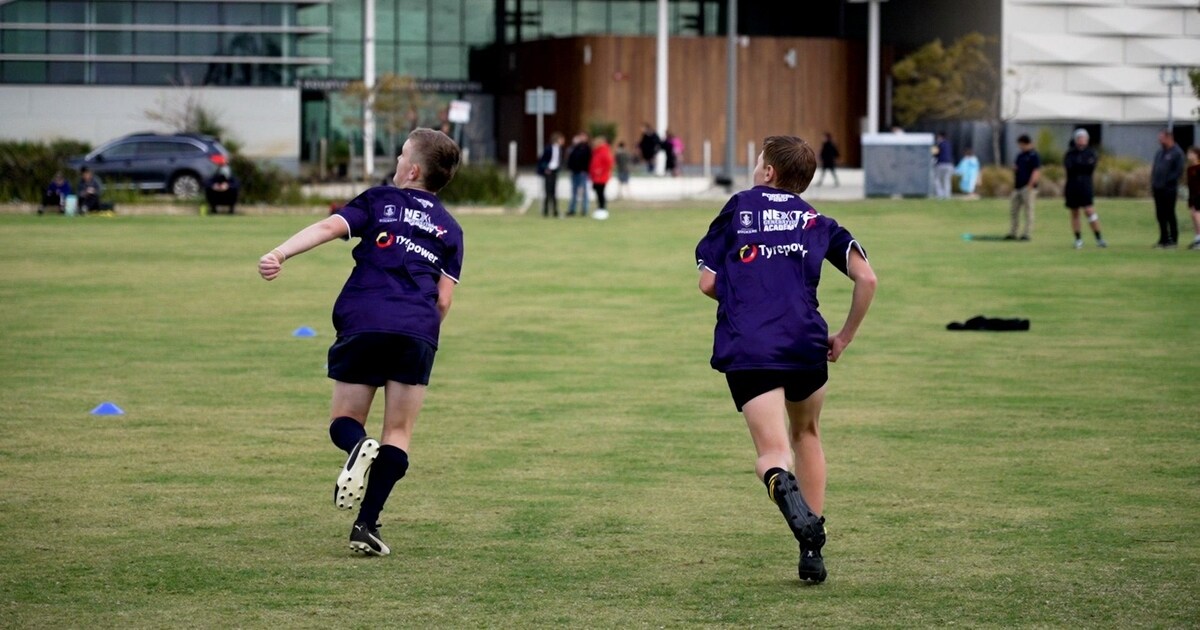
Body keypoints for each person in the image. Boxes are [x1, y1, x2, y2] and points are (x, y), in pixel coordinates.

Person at [257, 128, 463, 557]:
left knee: (345, 420)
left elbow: (329, 227)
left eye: (401, 154)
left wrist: (279, 253)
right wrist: (420, 327)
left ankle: (356, 446)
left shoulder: (379, 200)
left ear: (411, 169)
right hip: (417, 329)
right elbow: (444, 300)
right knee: (399, 432)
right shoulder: (450, 228)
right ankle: (366, 524)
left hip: (365, 319)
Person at [694, 135, 877, 584]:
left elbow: (707, 283)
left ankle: (784, 490)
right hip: (805, 343)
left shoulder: (738, 208)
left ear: (769, 173)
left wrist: (744, 287)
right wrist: (844, 338)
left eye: (759, 163)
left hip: (751, 345)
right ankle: (811, 544)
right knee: (808, 433)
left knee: (774, 454)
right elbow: (867, 278)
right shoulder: (816, 220)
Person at [1063, 129, 1106, 249]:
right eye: (1079, 138)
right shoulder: (1070, 153)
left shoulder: (1091, 153)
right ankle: (1078, 239)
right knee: (1075, 212)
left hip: (1086, 185)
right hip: (1072, 186)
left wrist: (1080, 166)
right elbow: (1069, 167)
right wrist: (1081, 166)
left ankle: (1099, 238)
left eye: (1083, 138)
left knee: (1089, 211)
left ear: (1087, 140)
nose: (1081, 140)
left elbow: (1090, 167)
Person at [1150, 128, 1185, 249]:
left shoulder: (1177, 153)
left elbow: (1178, 171)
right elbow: (1155, 169)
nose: (1159, 140)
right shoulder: (1160, 153)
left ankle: (1173, 239)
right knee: (1160, 214)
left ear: (1169, 138)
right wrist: (1154, 182)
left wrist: (1167, 182)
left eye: (1161, 138)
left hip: (1169, 189)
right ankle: (1163, 238)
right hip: (1157, 188)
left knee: (1169, 213)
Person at [1006, 134, 1041, 241]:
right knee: (1014, 211)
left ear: (1027, 144)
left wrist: (1030, 185)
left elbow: (1036, 171)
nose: (1020, 147)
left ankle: (1027, 233)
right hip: (1018, 187)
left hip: (1028, 187)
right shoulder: (1020, 155)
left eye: (1021, 144)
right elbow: (1016, 167)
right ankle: (1013, 232)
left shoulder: (1034, 155)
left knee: (1028, 211)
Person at [537, 132, 565, 218]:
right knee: (547, 191)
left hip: (555, 171)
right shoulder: (548, 148)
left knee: (554, 191)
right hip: (548, 171)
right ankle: (545, 210)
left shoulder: (560, 149)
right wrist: (546, 168)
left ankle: (555, 211)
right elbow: (542, 160)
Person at [566, 132, 592, 217]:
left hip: (583, 172)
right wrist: (570, 168)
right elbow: (570, 158)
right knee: (574, 192)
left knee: (584, 191)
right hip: (574, 172)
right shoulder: (575, 147)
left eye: (583, 137)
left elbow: (589, 161)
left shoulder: (587, 148)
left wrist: (585, 170)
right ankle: (572, 209)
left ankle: (584, 209)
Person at [589, 135, 614, 217]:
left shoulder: (604, 151)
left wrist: (601, 170)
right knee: (598, 193)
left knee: (601, 193)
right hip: (596, 177)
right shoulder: (596, 152)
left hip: (601, 177)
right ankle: (600, 208)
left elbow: (609, 163)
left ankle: (602, 209)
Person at [933, 131, 954, 199]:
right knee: (946, 180)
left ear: (940, 137)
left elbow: (935, 153)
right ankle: (947, 195)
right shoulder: (949, 144)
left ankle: (940, 194)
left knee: (937, 179)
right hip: (949, 164)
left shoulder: (939, 144)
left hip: (941, 164)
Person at [1187, 146, 1200, 250]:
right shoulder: (1190, 168)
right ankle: (1197, 238)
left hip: (1199, 195)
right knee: (1193, 215)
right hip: (1192, 196)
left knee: (1197, 215)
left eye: (1191, 153)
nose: (1188, 156)